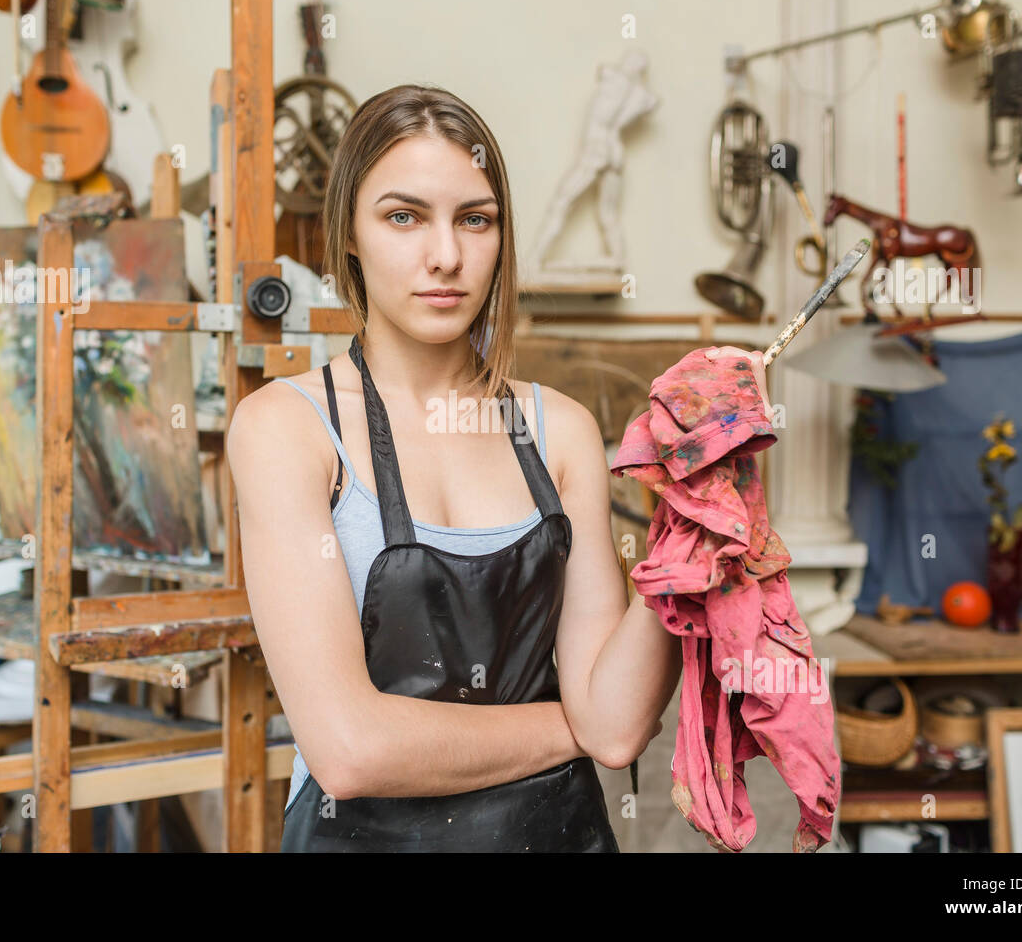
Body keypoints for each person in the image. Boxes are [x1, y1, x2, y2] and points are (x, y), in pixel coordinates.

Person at [226, 83, 770, 852]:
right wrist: (569, 727)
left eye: (474, 219)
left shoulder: (558, 433)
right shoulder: (287, 428)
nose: (445, 255)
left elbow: (616, 729)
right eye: (403, 216)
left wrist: (688, 528)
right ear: (349, 231)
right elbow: (348, 749)